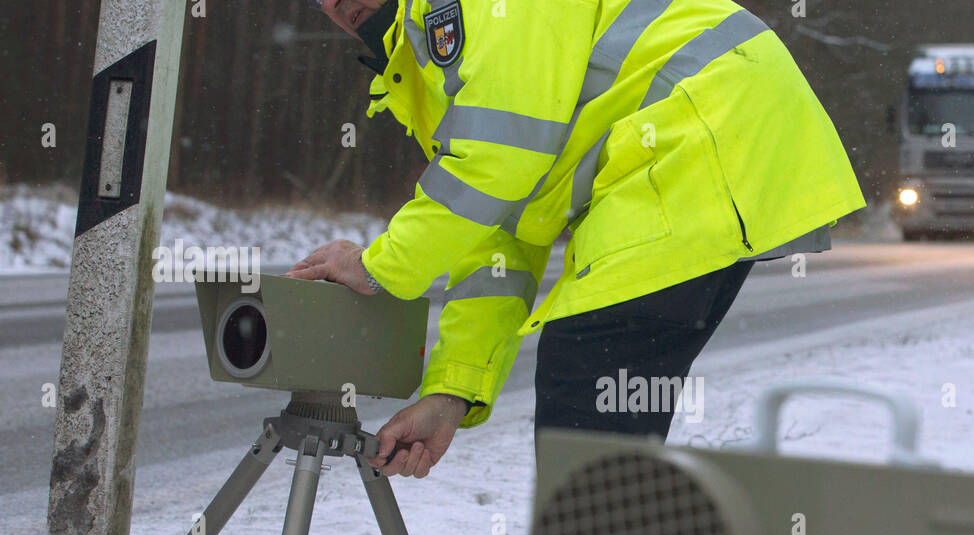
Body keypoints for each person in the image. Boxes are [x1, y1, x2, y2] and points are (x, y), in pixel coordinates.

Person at [288, 0, 865, 482]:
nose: (334, 3)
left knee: (590, 374)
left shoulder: (464, 14)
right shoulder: (427, 57)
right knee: (612, 394)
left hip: (697, 134)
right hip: (718, 140)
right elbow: (498, 233)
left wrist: (378, 266)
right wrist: (451, 392)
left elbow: (496, 166)